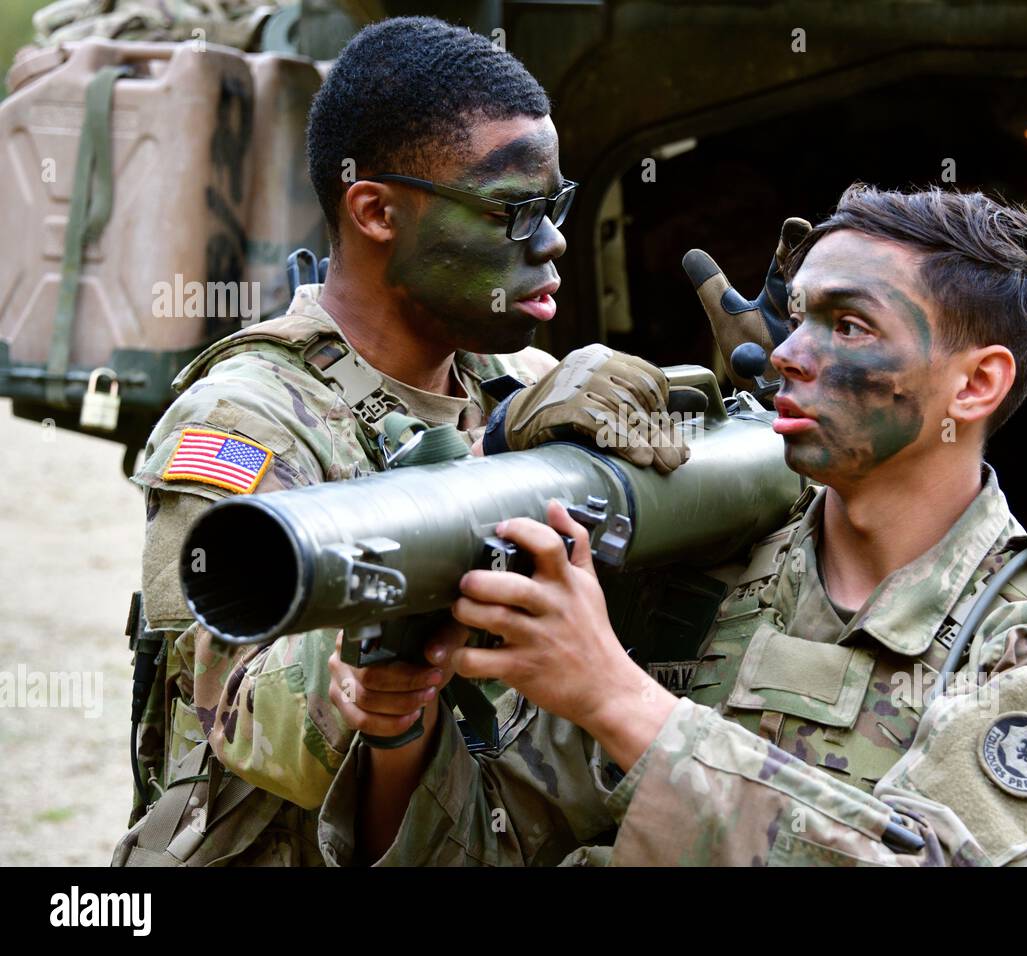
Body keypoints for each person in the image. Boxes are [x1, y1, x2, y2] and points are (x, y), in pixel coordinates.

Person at [319, 185, 1027, 867]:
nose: (786, 352)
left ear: (974, 384)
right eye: (799, 317)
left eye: (849, 324)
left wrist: (617, 697)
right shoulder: (704, 585)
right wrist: (400, 734)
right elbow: (490, 845)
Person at [114, 16, 683, 867]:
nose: (553, 239)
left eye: (554, 205)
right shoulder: (243, 419)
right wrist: (492, 463)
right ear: (376, 210)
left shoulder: (523, 382)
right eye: (514, 210)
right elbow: (238, 719)